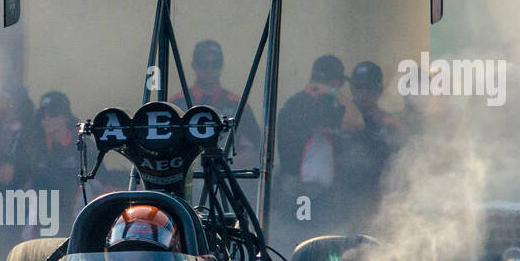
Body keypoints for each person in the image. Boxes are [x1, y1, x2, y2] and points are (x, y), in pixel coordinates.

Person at [275, 54, 360, 235]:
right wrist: (335, 94)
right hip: (306, 192)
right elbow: (356, 123)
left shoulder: (296, 102)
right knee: (310, 242)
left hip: (296, 190)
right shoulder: (316, 105)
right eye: (340, 84)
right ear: (335, 81)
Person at [169, 40, 261, 167]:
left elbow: (257, 152)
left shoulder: (238, 104)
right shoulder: (176, 103)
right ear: (194, 66)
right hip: (187, 177)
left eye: (215, 64)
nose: (210, 69)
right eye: (204, 64)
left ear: (221, 65)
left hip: (228, 176)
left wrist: (225, 163)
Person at [338, 60, 402, 226]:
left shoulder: (390, 124)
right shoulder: (338, 118)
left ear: (379, 91)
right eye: (359, 87)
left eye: (370, 88)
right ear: (352, 89)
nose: (364, 93)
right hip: (340, 203)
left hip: (375, 205)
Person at [21, 90, 82, 233]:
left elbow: (98, 183)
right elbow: (25, 183)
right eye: (43, 115)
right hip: (41, 220)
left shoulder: (82, 144)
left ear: (66, 117)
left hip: (72, 221)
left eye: (53, 115)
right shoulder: (34, 145)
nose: (46, 120)